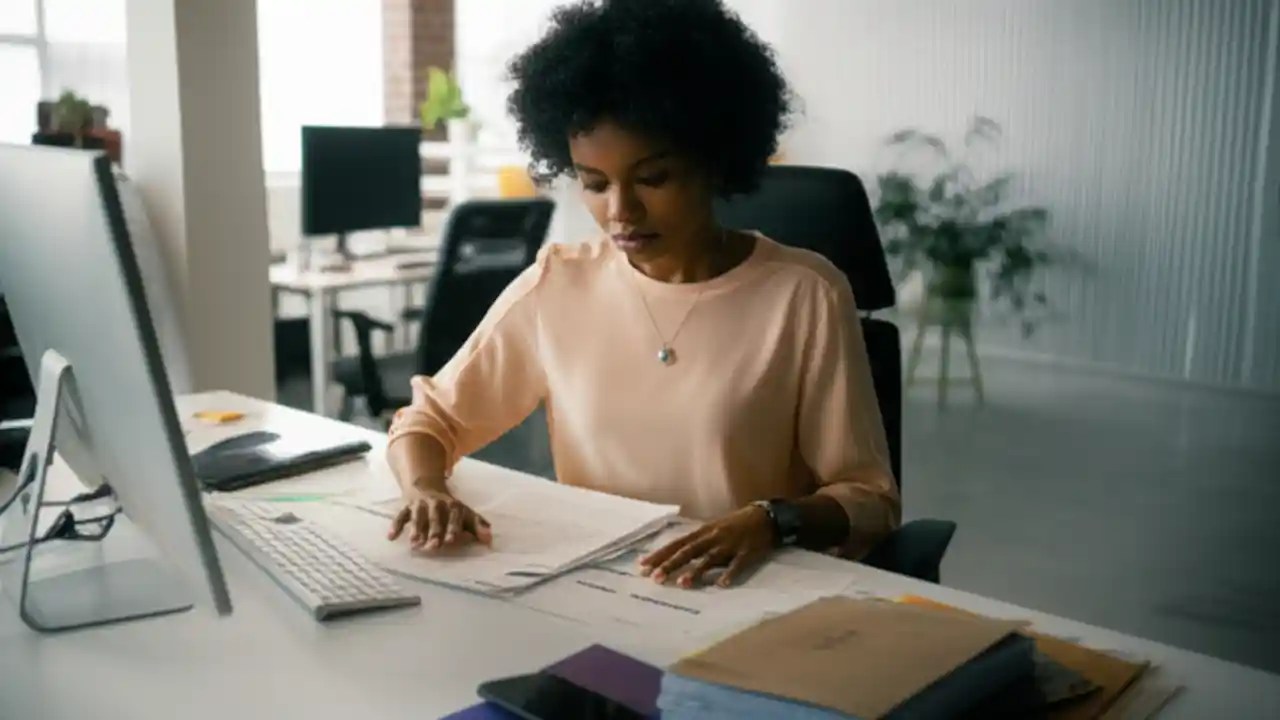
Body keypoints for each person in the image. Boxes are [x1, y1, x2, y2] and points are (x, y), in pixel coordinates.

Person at [385, 0, 899, 589]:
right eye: (595, 184)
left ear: (714, 161)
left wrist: (769, 523)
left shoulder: (805, 295)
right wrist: (426, 489)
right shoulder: (558, 285)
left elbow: (870, 500)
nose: (620, 212)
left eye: (653, 179)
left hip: (748, 592)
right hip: (596, 588)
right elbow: (429, 421)